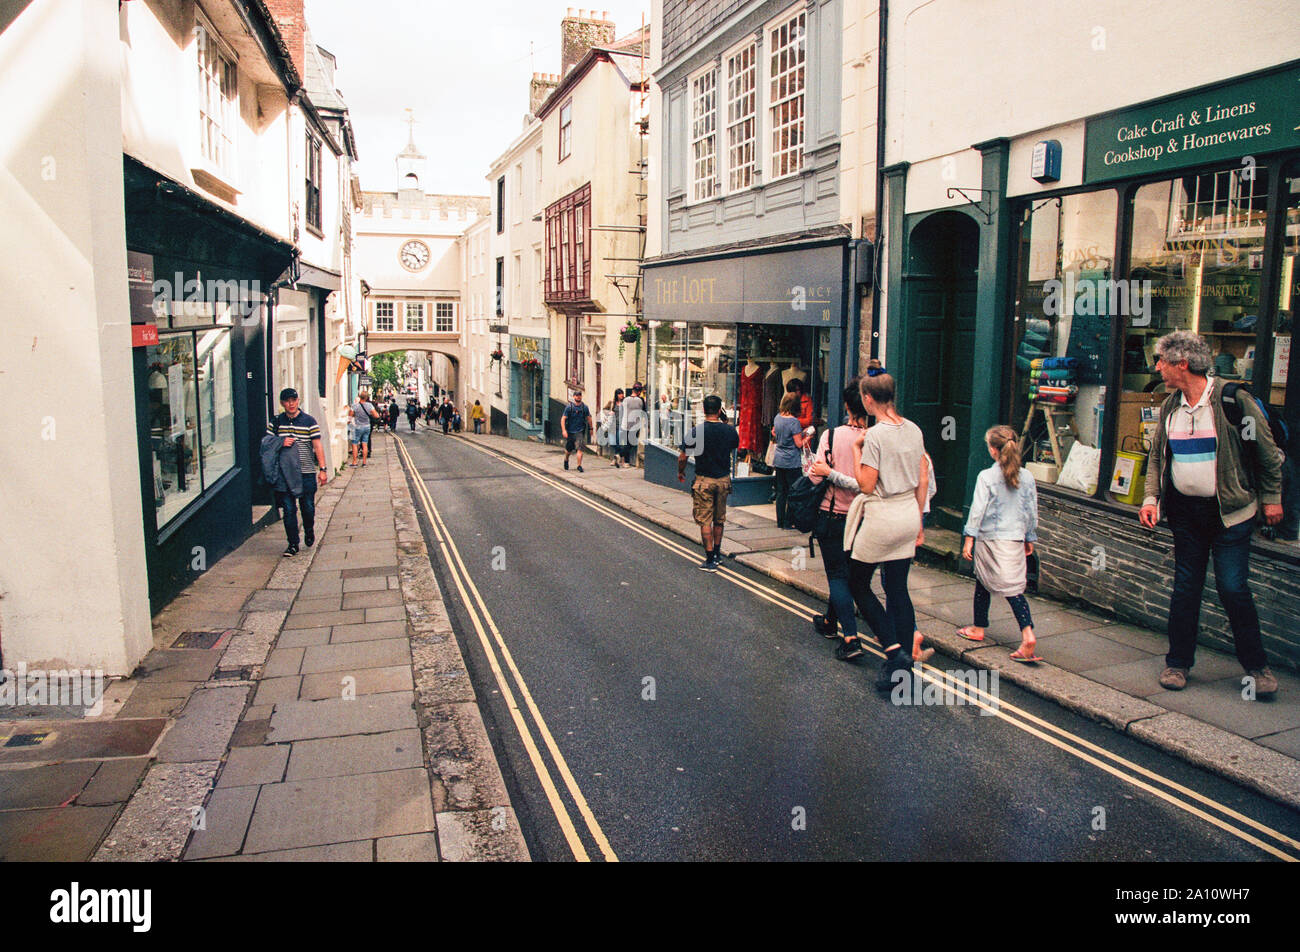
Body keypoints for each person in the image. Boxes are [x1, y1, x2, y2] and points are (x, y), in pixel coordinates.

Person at [1139, 330, 1283, 697]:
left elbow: (1267, 454)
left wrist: (1272, 498)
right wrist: (1151, 498)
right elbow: (1157, 456)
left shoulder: (1233, 401)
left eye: (1162, 361)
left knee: (1233, 588)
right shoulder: (1171, 405)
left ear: (1181, 364)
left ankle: (1257, 668)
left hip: (1231, 514)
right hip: (1186, 515)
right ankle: (1177, 664)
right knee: (1186, 588)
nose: (1158, 367)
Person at [840, 371, 929, 689]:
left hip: (882, 518)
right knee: (897, 589)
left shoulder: (875, 436)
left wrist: (856, 449)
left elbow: (865, 485)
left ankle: (894, 653)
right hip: (907, 515)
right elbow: (923, 478)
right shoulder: (914, 430)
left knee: (857, 584)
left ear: (867, 399)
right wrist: (919, 520)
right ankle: (902, 671)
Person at [957, 425, 1043, 663]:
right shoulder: (1027, 477)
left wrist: (969, 538)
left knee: (1000, 585)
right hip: (1014, 539)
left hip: (991, 539)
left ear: (993, 450)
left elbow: (977, 510)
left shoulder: (986, 476)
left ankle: (1026, 636)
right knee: (997, 583)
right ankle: (979, 626)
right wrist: (1029, 537)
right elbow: (1031, 511)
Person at [678, 394, 740, 571]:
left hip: (704, 480)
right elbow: (734, 444)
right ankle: (718, 555)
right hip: (723, 480)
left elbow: (683, 457)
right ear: (720, 410)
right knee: (719, 519)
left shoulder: (697, 432)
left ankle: (710, 559)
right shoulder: (729, 431)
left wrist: (681, 472)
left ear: (703, 410)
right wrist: (726, 422)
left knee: (705, 520)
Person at [266, 388, 327, 557]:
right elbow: (267, 445)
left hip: (306, 472)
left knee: (307, 508)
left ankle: (309, 530)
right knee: (288, 509)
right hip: (284, 475)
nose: (291, 404)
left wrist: (322, 469)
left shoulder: (309, 421)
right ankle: (293, 544)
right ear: (282, 403)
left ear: (298, 401)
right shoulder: (276, 422)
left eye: (293, 400)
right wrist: (281, 442)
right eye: (287, 401)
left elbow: (317, 446)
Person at [770, 393, 809, 529]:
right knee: (793, 491)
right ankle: (789, 521)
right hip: (792, 460)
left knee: (781, 492)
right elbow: (799, 444)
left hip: (779, 458)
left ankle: (780, 521)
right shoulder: (794, 422)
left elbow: (774, 432)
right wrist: (808, 437)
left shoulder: (777, 418)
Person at [562, 390, 591, 472]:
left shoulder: (584, 407)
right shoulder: (569, 407)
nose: (578, 397)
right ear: (574, 397)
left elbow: (589, 418)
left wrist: (591, 428)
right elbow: (563, 419)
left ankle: (579, 465)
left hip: (580, 431)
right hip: (570, 431)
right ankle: (566, 459)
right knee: (569, 450)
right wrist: (564, 430)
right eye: (577, 395)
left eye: (580, 395)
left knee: (580, 448)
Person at [348, 390, 377, 466]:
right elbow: (376, 415)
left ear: (360, 397)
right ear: (367, 397)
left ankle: (354, 462)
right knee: (365, 444)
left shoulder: (354, 406)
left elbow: (350, 417)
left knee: (354, 444)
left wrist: (353, 417)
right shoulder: (370, 405)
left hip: (358, 427)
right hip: (367, 426)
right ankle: (364, 462)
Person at [620, 383, 645, 468]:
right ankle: (624, 459)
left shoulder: (625, 400)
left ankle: (623, 458)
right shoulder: (640, 401)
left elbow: (622, 411)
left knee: (627, 443)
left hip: (625, 424)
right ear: (639, 392)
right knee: (631, 443)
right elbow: (643, 412)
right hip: (635, 425)